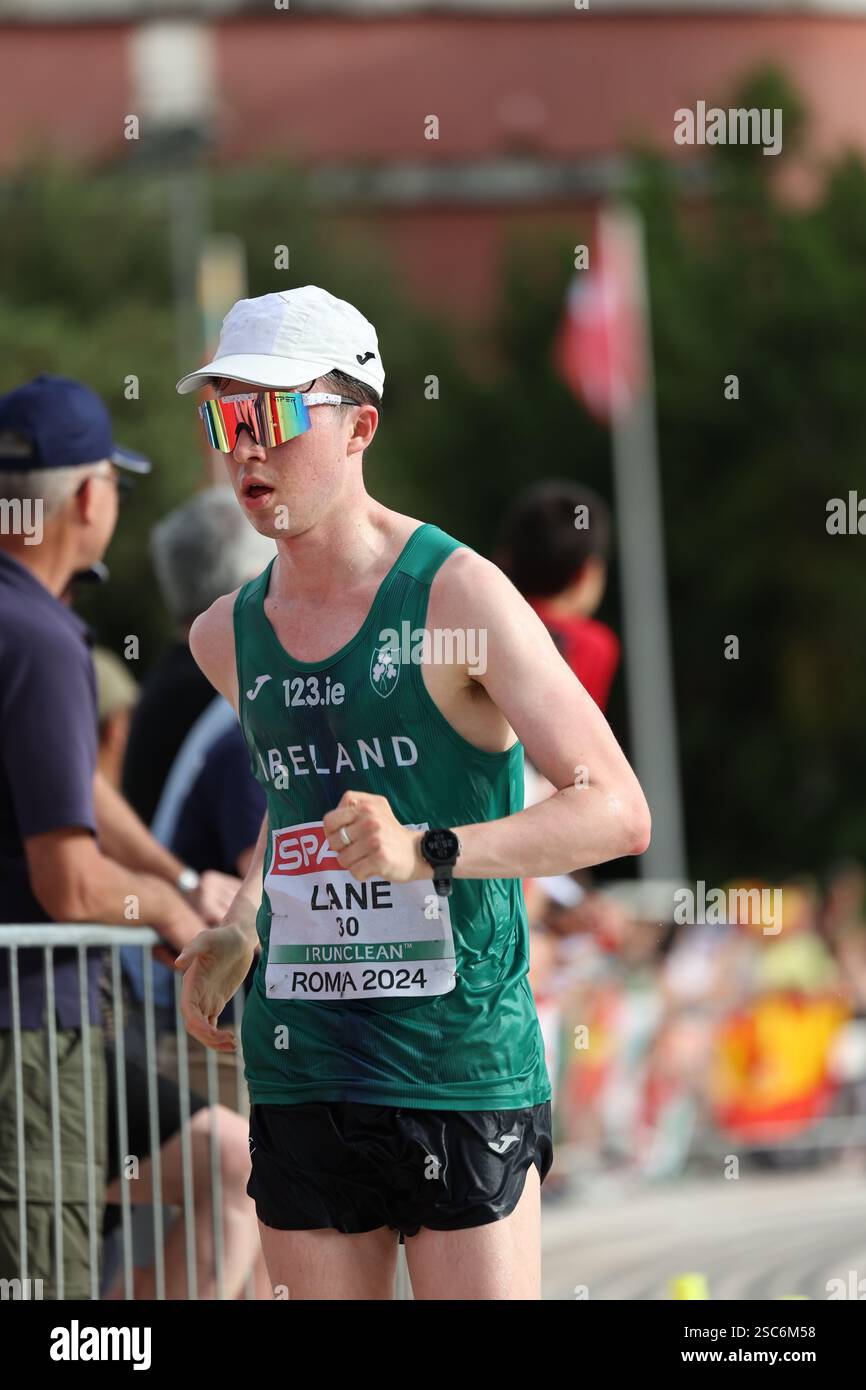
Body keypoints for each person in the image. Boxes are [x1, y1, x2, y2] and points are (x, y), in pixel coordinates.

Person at [174, 285, 651, 1300]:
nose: (244, 450)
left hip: (454, 1066)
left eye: (271, 414)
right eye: (224, 417)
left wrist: (429, 848)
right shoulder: (225, 634)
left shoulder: (457, 594)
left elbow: (613, 805)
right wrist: (241, 919)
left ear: (359, 426)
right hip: (302, 1070)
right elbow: (293, 804)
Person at [0, 375, 253, 1298]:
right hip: (25, 1028)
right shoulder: (38, 637)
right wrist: (177, 916)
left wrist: (174, 875)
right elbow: (68, 881)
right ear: (89, 496)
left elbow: (67, 792)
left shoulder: (27, 627)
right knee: (46, 1289)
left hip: (41, 1021)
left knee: (232, 1163)